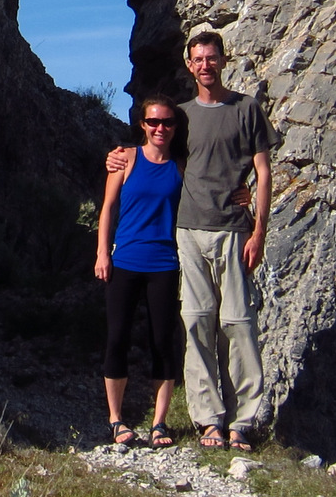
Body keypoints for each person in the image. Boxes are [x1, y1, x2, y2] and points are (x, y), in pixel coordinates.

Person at [108, 31, 279, 450]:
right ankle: (208, 420)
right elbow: (155, 148)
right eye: (198, 59)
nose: (206, 65)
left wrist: (259, 227)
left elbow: (263, 170)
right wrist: (116, 157)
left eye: (212, 58)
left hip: (235, 231)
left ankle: (242, 420)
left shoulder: (247, 109)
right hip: (187, 232)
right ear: (190, 64)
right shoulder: (180, 117)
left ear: (224, 60)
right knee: (198, 323)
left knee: (238, 324)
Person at [95, 94, 184, 447]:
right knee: (117, 338)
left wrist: (241, 195)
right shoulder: (126, 159)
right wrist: (103, 253)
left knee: (162, 341)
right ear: (143, 125)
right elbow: (107, 208)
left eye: (167, 123)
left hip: (165, 263)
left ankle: (159, 422)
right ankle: (116, 419)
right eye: (153, 122)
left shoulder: (180, 167)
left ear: (175, 127)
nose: (160, 128)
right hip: (125, 261)